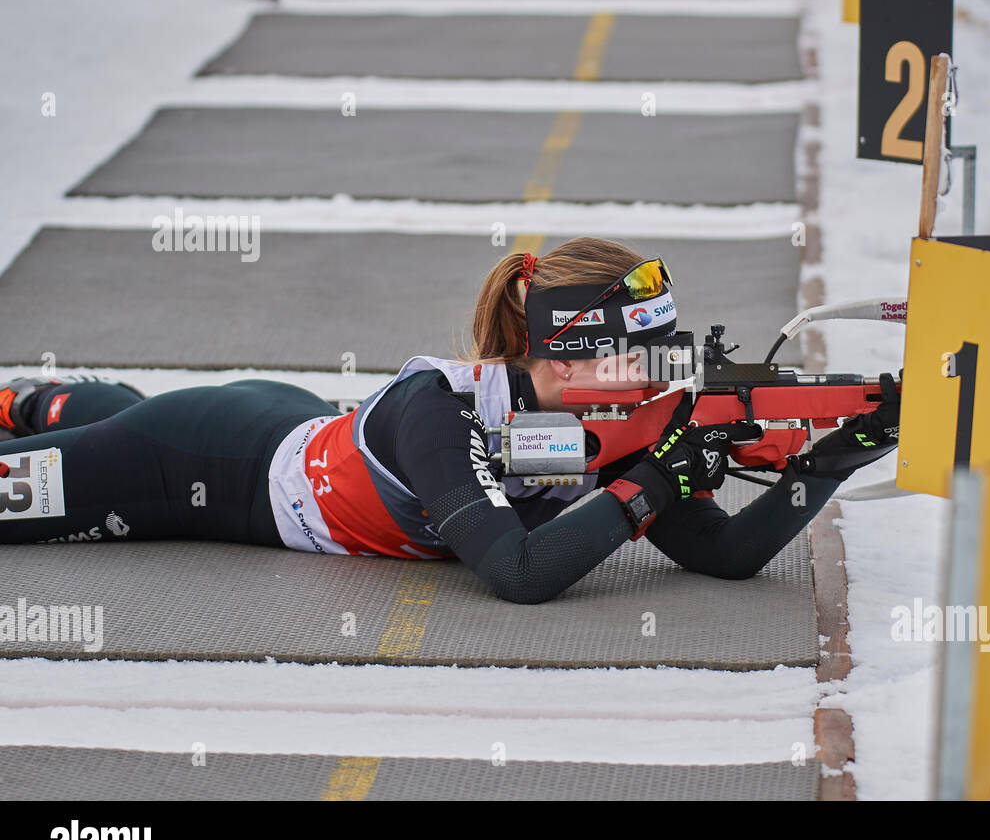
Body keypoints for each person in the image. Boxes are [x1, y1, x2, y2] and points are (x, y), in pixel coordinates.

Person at [0, 238, 899, 603]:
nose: (662, 377)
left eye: (667, 355)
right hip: (200, 465)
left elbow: (729, 557)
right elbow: (516, 571)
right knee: (53, 472)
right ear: (564, 352)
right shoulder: (442, 409)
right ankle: (35, 407)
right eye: (641, 355)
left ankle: (40, 399)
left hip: (289, 417)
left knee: (88, 416)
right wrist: (660, 475)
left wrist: (833, 459)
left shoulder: (624, 427)